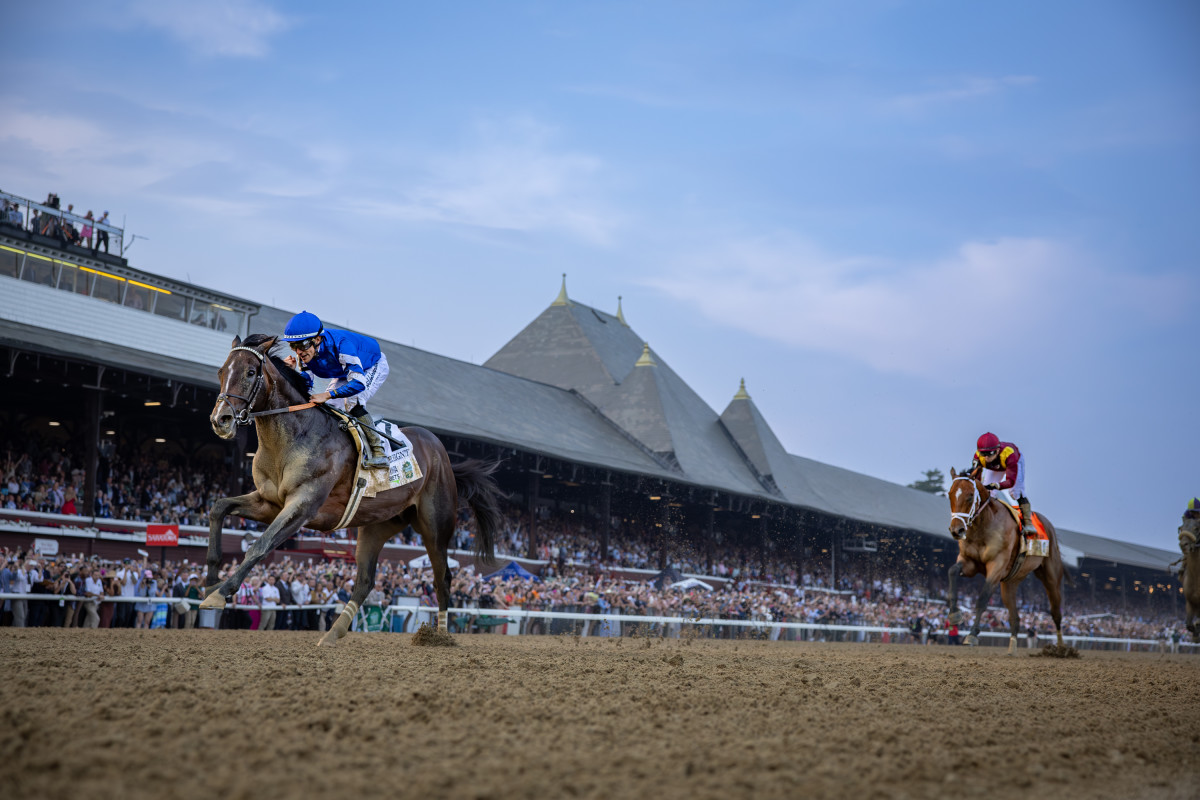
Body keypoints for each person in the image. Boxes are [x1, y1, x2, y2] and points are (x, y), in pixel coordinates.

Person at [280, 310, 390, 468]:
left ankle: (378, 451)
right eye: (293, 346)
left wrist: (328, 394)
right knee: (330, 409)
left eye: (302, 345)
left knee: (353, 402)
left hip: (370, 365)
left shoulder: (342, 344)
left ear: (317, 339)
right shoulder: (305, 354)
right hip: (344, 371)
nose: (298, 351)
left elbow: (358, 383)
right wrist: (289, 372)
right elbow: (305, 386)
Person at [965, 432, 1037, 539]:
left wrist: (997, 485)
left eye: (989, 454)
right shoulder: (978, 457)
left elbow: (1010, 482)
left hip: (1012, 463)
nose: (986, 458)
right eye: (983, 455)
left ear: (997, 450)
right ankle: (983, 519)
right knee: (987, 492)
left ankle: (1028, 522)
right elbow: (977, 480)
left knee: (1015, 492)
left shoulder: (1009, 455)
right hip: (995, 467)